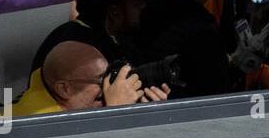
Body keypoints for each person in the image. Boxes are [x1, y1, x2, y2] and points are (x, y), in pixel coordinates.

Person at [13, 41, 169, 116]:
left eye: (110, 75)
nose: (110, 87)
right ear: (64, 89)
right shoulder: (33, 121)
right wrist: (116, 112)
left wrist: (148, 117)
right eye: (101, 80)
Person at [30, 0, 145, 74]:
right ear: (114, 12)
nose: (142, 7)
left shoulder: (119, 38)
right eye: (136, 4)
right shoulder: (74, 40)